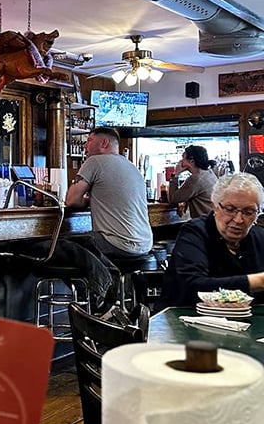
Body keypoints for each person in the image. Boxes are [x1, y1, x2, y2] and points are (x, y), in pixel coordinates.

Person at [159, 172, 264, 307]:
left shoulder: (260, 238)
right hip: (189, 320)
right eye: (230, 209)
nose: (238, 220)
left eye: (248, 212)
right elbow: (192, 287)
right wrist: (257, 281)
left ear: (257, 215)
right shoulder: (194, 233)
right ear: (215, 206)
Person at [65, 126, 153, 258]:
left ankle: (99, 279)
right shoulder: (131, 165)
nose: (85, 146)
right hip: (145, 245)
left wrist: (88, 201)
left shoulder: (94, 161)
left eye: (89, 140)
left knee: (60, 245)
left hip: (117, 244)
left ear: (104, 143)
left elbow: (71, 200)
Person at [167, 144, 216, 218]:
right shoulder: (209, 173)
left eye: (183, 158)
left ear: (191, 161)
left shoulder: (196, 179)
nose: (180, 161)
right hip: (213, 222)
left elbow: (173, 199)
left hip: (204, 225)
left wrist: (176, 174)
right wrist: (185, 202)